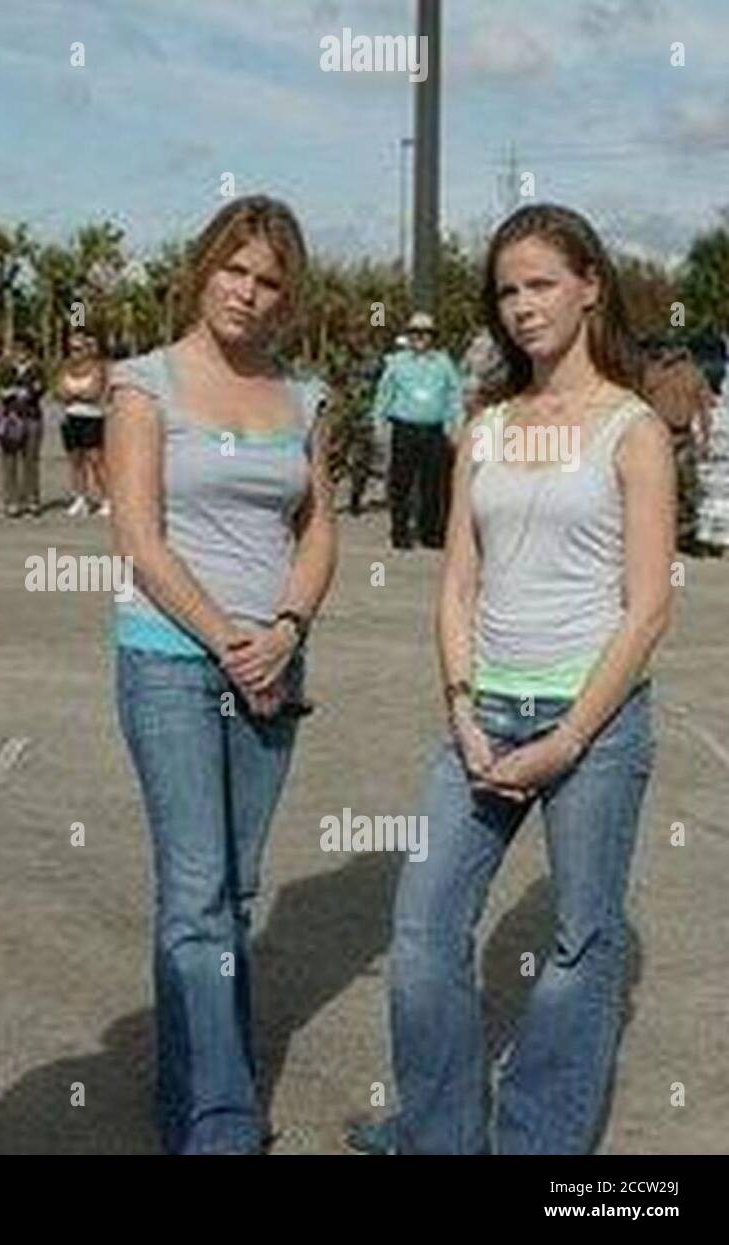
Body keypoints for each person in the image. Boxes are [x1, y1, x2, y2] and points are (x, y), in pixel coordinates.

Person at [385, 203, 674, 1155]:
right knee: (424, 936)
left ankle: (538, 1148)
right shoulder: (489, 427)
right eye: (507, 290)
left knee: (578, 947)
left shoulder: (631, 430)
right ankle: (440, 1135)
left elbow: (646, 609)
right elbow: (457, 585)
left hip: (591, 724)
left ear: (591, 284)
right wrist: (464, 710)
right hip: (485, 715)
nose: (521, 306)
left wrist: (567, 739)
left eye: (541, 283)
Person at [106, 194, 337, 1154]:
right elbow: (140, 537)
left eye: (267, 279)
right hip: (170, 660)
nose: (246, 291)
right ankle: (223, 1125)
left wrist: (284, 626)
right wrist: (228, 641)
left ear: (286, 296)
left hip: (274, 664)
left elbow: (320, 527)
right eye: (233, 270)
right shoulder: (143, 385)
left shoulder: (306, 398)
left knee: (233, 895)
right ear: (203, 269)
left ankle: (193, 1095)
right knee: (196, 892)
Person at [370, 310, 464, 549]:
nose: (420, 337)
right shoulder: (396, 363)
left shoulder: (444, 363)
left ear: (432, 336)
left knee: (433, 486)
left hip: (434, 431)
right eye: (415, 333)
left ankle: (431, 533)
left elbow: (455, 396)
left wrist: (457, 427)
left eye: (425, 333)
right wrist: (378, 424)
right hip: (404, 430)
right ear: (409, 336)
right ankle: (400, 533)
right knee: (401, 483)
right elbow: (384, 394)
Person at [641, 343, 714, 556]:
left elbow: (704, 405)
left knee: (688, 487)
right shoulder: (652, 372)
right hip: (660, 436)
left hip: (683, 435)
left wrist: (705, 438)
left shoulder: (692, 373)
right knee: (659, 488)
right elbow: (639, 400)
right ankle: (658, 534)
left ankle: (685, 535)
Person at [55, 330, 109, 516]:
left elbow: (94, 393)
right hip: (71, 417)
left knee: (95, 460)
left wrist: (73, 395)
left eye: (78, 349)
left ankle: (106, 498)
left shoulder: (97, 367)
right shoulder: (65, 368)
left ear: (87, 349)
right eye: (71, 349)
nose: (74, 353)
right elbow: (59, 393)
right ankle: (80, 498)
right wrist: (74, 395)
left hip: (92, 418)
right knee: (75, 460)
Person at [0, 335, 45, 517]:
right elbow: (0, 389)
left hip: (32, 418)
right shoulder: (5, 367)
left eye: (23, 349)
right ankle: (11, 500)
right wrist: (13, 391)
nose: (19, 353)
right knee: (9, 461)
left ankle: (32, 499)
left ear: (30, 351)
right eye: (16, 349)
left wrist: (23, 391)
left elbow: (39, 389)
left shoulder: (37, 368)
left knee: (31, 461)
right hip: (10, 418)